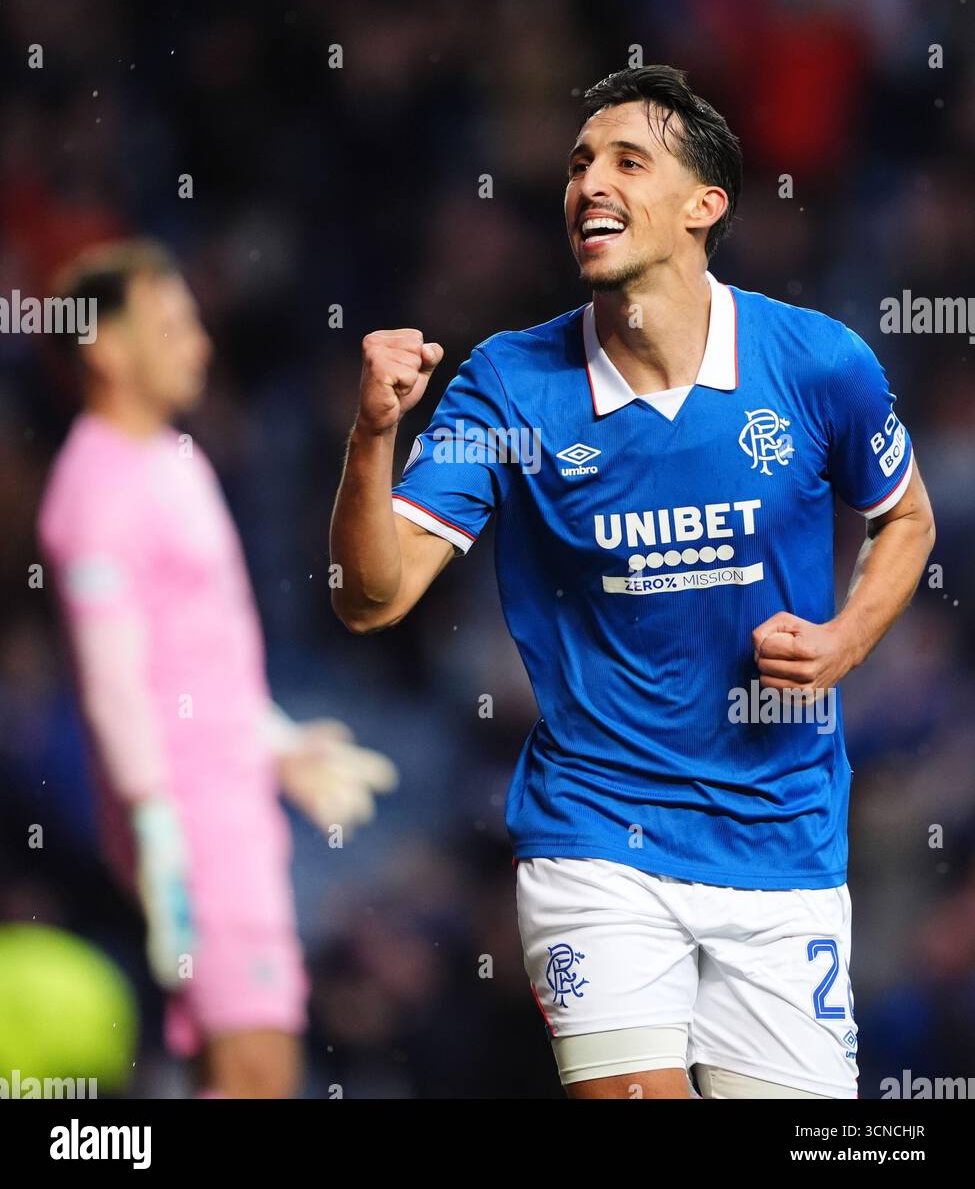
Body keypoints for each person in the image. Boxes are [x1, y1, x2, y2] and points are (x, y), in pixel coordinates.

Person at [330, 66, 937, 1100]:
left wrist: (846, 640)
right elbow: (369, 595)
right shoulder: (509, 384)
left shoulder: (818, 362)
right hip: (599, 838)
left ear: (706, 206)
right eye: (577, 165)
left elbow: (905, 516)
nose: (587, 182)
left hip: (783, 837)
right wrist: (376, 432)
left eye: (626, 160)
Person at [39, 239, 396, 1099]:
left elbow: (194, 652)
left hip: (224, 803)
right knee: (257, 1071)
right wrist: (159, 823)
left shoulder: (173, 460)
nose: (197, 341)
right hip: (192, 818)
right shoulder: (95, 488)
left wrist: (272, 743)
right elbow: (112, 678)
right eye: (169, 323)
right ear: (105, 347)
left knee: (229, 1070)